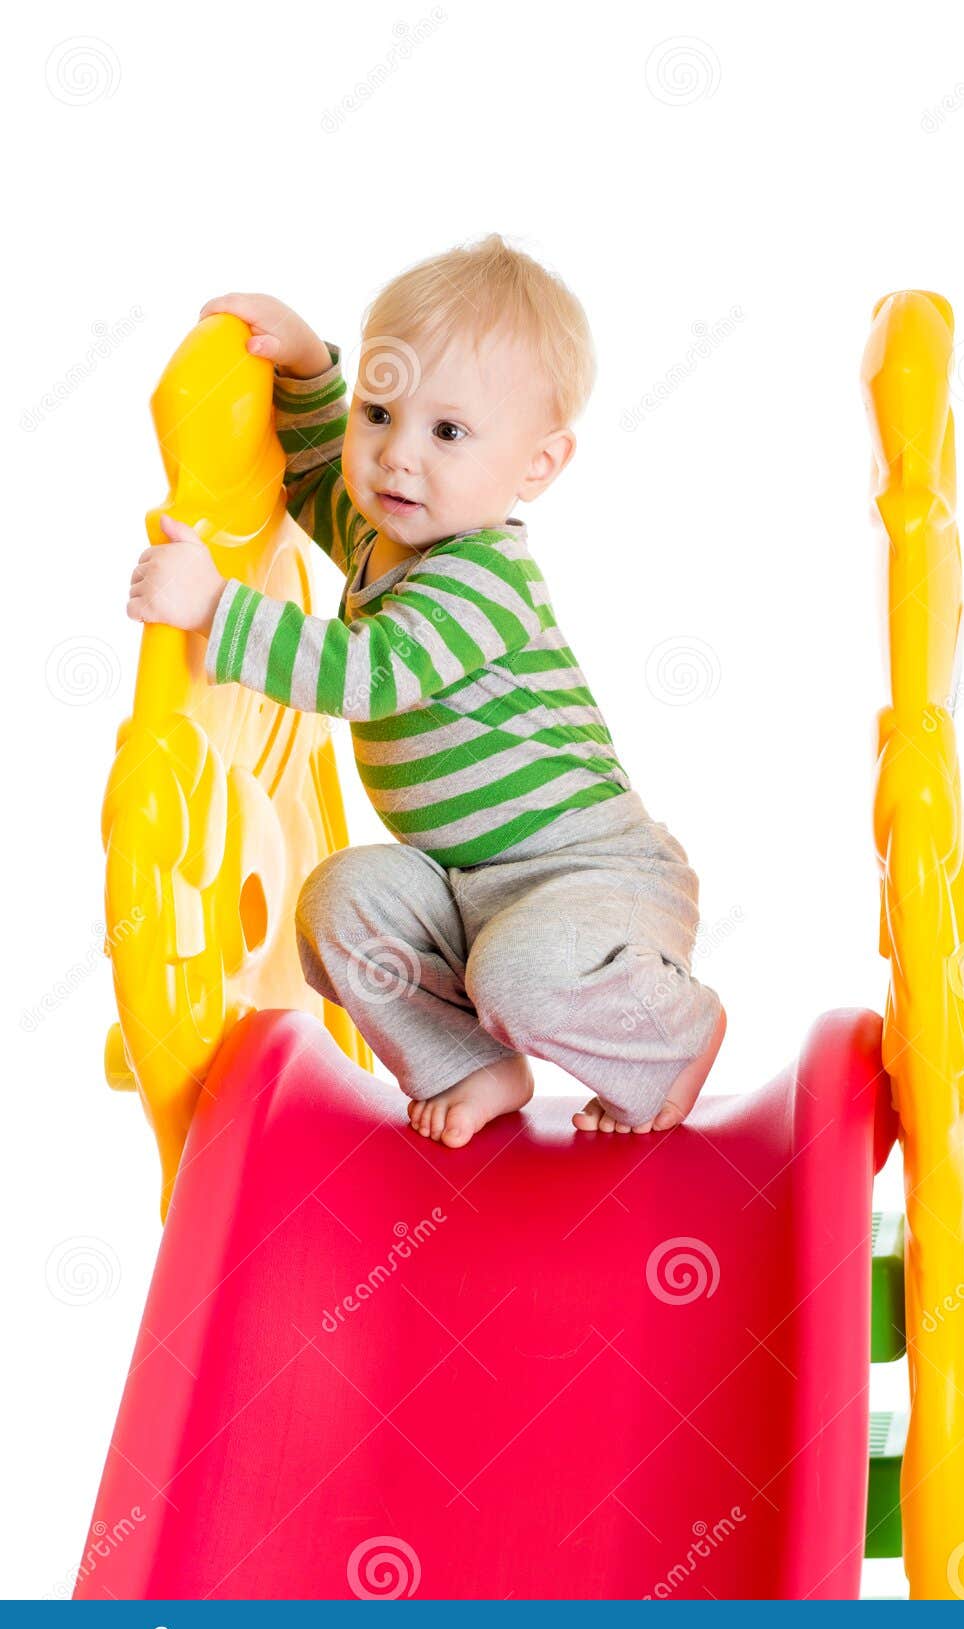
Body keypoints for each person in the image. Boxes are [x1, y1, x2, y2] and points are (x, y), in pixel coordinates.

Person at [127, 234, 726, 1149]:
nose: (397, 457)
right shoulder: (390, 535)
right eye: (379, 410)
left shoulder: (485, 578)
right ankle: (465, 1061)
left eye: (446, 432)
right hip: (468, 888)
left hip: (591, 879)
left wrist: (219, 609)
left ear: (538, 465)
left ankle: (669, 1035)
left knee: (522, 975)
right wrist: (306, 372)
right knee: (339, 898)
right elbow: (318, 476)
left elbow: (366, 674)